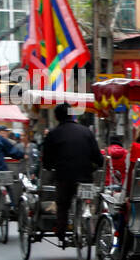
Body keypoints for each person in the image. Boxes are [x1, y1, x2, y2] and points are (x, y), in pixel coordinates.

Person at [41, 103, 103, 241]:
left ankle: (61, 232)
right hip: (86, 176)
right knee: (89, 201)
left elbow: (47, 160)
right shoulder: (87, 131)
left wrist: (50, 167)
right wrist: (97, 165)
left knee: (62, 205)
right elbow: (98, 157)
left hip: (64, 177)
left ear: (57, 117)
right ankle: (90, 224)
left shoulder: (53, 134)